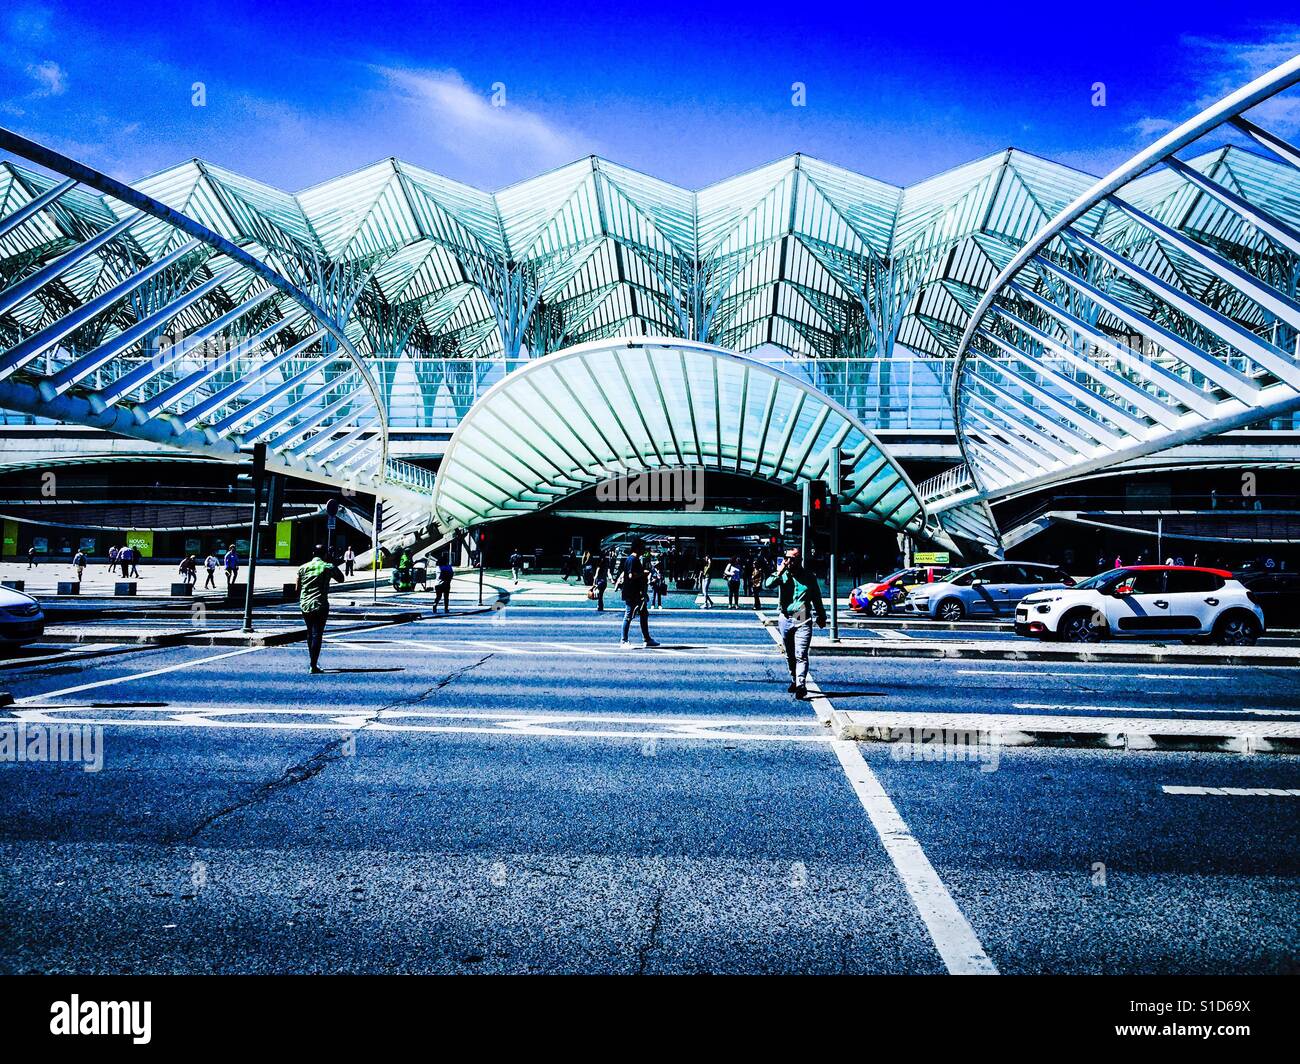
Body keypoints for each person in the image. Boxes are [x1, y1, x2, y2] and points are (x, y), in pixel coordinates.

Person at [765, 547, 827, 700]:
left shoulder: (809, 577)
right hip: (785, 615)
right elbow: (768, 584)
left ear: (799, 560)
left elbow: (816, 598)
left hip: (801, 614)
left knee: (801, 654)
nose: (789, 561)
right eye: (787, 558)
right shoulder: (783, 575)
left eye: (793, 559)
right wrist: (779, 571)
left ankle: (801, 684)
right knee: (789, 653)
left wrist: (821, 616)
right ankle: (794, 678)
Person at [297, 544, 344, 674]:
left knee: (309, 632)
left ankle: (312, 661)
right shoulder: (328, 567)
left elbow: (297, 588)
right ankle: (313, 664)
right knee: (317, 633)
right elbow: (341, 579)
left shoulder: (302, 568)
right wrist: (332, 562)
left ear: (313, 553)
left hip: (305, 604)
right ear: (325, 554)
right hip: (320, 604)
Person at [616, 538, 660, 648]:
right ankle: (623, 640)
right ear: (637, 547)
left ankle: (647, 638)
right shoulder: (632, 559)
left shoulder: (635, 559)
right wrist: (643, 573)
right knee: (628, 615)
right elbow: (631, 576)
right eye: (642, 547)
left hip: (638, 592)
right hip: (631, 592)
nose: (644, 549)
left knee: (644, 614)